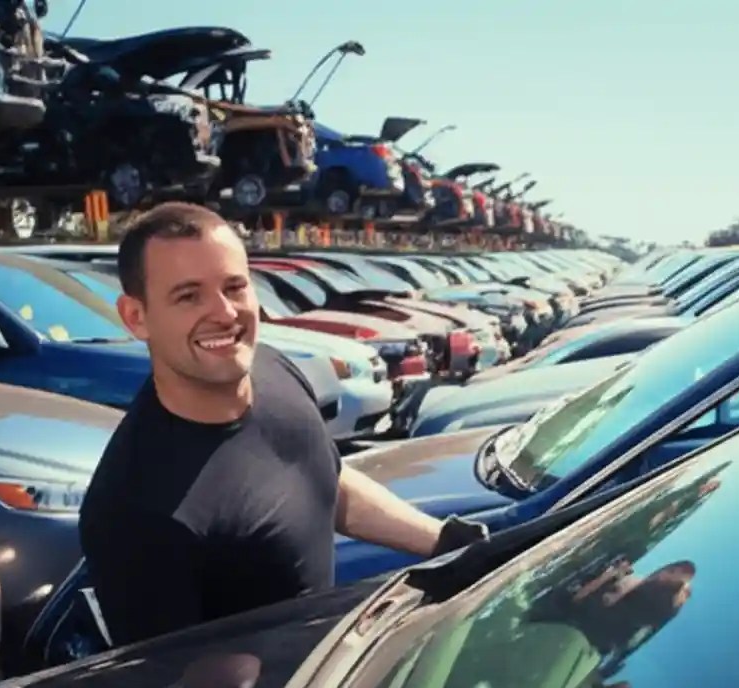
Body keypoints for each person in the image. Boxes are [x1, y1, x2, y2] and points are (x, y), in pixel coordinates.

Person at [78, 201, 487, 647]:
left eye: (234, 287)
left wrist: (447, 542)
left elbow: (323, 480)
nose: (225, 313)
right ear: (137, 317)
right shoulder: (133, 511)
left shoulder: (276, 371)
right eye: (189, 295)